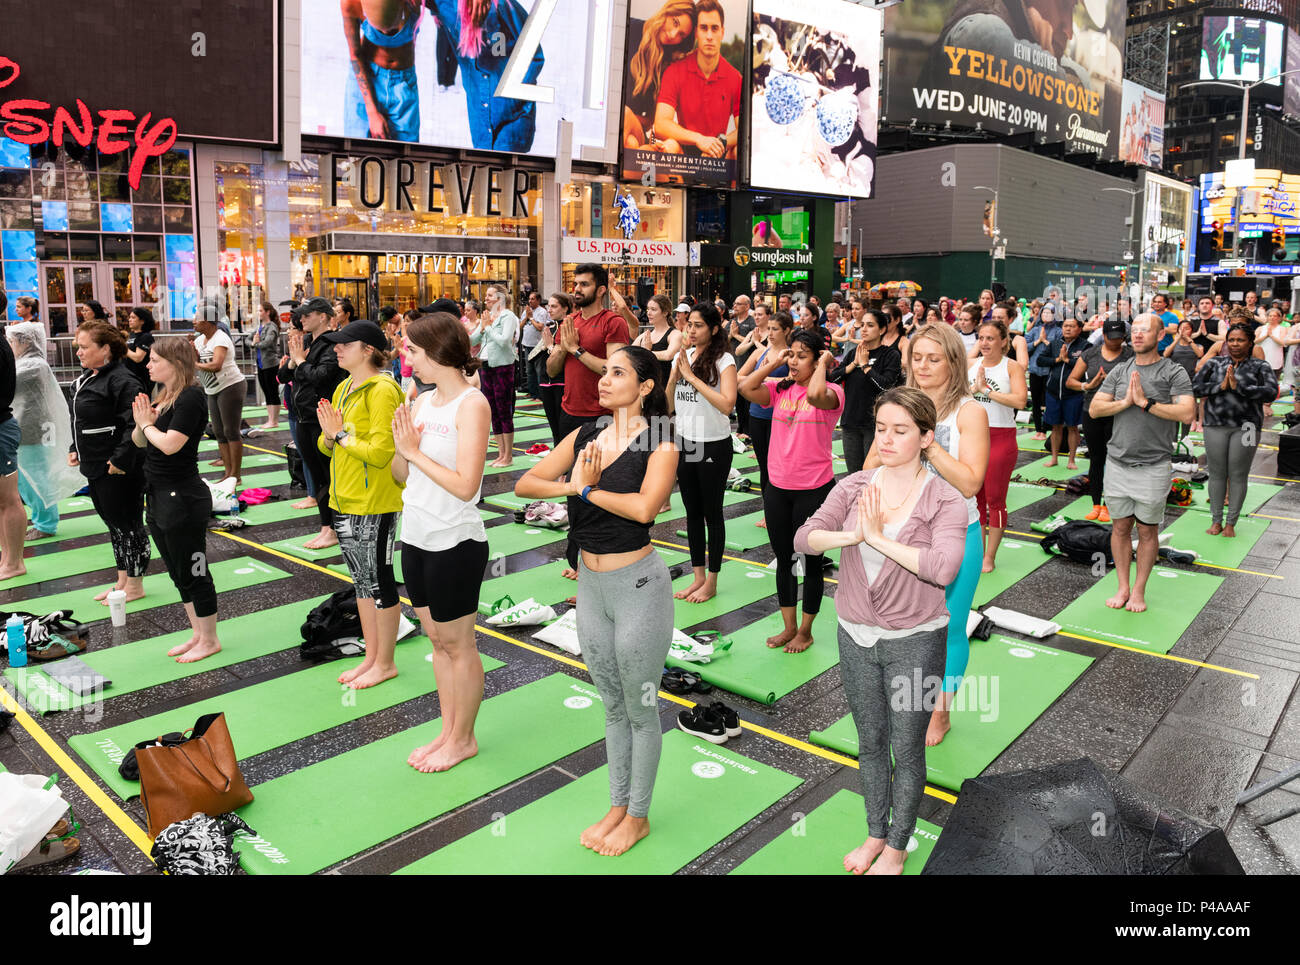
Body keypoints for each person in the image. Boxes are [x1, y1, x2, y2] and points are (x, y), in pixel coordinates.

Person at [515, 345, 678, 857]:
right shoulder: (586, 434)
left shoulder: (662, 441)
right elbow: (525, 483)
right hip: (590, 584)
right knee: (611, 704)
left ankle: (639, 815)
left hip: (638, 586)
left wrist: (583, 492)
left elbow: (646, 507)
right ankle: (617, 804)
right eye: (604, 372)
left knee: (641, 707)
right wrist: (571, 483)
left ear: (646, 386)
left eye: (617, 373)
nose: (603, 380)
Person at [796, 386, 966, 875]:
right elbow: (804, 536)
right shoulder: (853, 487)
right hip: (854, 633)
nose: (886, 438)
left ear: (926, 437)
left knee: (907, 747)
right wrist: (852, 535)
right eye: (881, 428)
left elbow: (942, 568)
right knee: (869, 742)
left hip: (915, 638)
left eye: (901, 430)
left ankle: (898, 845)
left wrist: (878, 539)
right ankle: (875, 833)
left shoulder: (945, 499)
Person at [393, 312, 491, 771]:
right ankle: (448, 730)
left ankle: (464, 738)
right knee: (436, 642)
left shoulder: (472, 405)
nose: (404, 355)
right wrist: (400, 445)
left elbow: (467, 485)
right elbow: (401, 475)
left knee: (459, 644)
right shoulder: (421, 402)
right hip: (415, 534)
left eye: (411, 348)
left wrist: (414, 451)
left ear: (435, 352)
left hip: (454, 540)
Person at [738, 329, 844, 653]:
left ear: (818, 359)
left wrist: (824, 362)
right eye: (792, 354)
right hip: (778, 488)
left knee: (812, 563)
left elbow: (814, 395)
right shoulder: (779, 389)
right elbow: (745, 387)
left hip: (814, 489)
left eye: (802, 355)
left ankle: (806, 631)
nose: (794, 361)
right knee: (784, 560)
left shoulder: (834, 392)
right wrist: (775, 363)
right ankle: (789, 627)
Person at [316, 320, 407, 689]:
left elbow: (383, 453)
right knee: (361, 584)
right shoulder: (343, 387)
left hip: (375, 501)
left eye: (344, 344)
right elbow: (327, 445)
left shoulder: (383, 389)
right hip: (345, 497)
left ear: (368, 349)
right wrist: (331, 436)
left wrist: (339, 435)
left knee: (379, 581)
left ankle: (385, 662)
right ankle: (372, 656)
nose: (336, 349)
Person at [1089, 314, 1195, 613]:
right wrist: (1125, 403)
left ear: (1160, 335)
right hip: (1118, 462)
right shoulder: (1121, 370)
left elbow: (1186, 413)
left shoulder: (1173, 372)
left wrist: (1146, 403)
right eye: (1134, 331)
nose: (1137, 335)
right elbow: (1096, 409)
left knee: (1147, 532)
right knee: (1120, 528)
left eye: (1144, 330)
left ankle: (1138, 591)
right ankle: (1122, 586)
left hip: (1153, 465)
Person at [129, 338, 222, 663]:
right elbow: (141, 440)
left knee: (194, 570)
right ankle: (197, 633)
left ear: (175, 363)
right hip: (157, 494)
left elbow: (170, 444)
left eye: (154, 360)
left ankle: (210, 639)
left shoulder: (192, 396)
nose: (148, 365)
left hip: (183, 497)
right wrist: (143, 423)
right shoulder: (164, 396)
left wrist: (146, 425)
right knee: (177, 571)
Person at [68, 321, 149, 601]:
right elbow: (81, 420)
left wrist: (120, 459)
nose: (78, 352)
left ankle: (135, 585)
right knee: (114, 525)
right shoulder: (88, 378)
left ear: (105, 349)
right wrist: (74, 447)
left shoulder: (123, 380)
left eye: (84, 347)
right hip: (95, 464)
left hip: (117, 467)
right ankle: (122, 581)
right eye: (77, 346)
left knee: (128, 524)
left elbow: (135, 425)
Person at [667, 303, 736, 604]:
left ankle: (712, 580)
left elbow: (727, 404)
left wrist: (691, 377)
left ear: (714, 329)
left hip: (714, 444)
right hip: (686, 442)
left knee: (712, 514)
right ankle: (697, 576)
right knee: (692, 514)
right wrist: (676, 372)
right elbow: (668, 404)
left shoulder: (725, 360)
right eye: (688, 324)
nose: (690, 330)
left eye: (697, 325)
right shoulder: (684, 357)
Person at [1193, 323, 1277, 539]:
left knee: (1238, 474)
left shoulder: (1260, 366)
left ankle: (1231, 523)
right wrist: (1220, 387)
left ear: (1250, 343)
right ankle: (1216, 520)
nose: (1235, 344)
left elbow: (1270, 393)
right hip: (1215, 424)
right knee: (1217, 473)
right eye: (1231, 340)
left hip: (1247, 426)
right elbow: (1195, 387)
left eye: (1240, 340)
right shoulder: (1214, 363)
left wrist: (1239, 387)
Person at [6, 325, 81, 544]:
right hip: (23, 429)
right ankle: (41, 520)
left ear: (26, 341)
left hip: (32, 431)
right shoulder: (25, 363)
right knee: (26, 480)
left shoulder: (34, 365)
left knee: (36, 479)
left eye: (12, 342)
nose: (10, 347)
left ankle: (46, 524)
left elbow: (8, 382)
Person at [284, 296, 348, 549]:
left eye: (307, 315)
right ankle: (326, 527)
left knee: (328, 475)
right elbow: (283, 375)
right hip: (304, 416)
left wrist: (300, 361)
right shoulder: (307, 342)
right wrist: (294, 360)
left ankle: (334, 527)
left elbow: (321, 377)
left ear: (323, 316)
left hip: (321, 418)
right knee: (317, 474)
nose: (302, 319)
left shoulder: (333, 344)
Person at [969, 319, 1027, 571]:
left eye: (990, 338)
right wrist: (973, 388)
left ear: (1003, 341)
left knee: (995, 498)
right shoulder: (971, 365)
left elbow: (1020, 401)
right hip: (973, 436)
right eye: (981, 338)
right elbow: (959, 396)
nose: (984, 343)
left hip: (1001, 437)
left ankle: (989, 557)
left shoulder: (1011, 367)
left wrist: (987, 391)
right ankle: (978, 551)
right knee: (974, 497)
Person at [652, 0, 740, 164]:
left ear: (722, 32)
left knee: (739, 150)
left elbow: (744, 131)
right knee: (668, 146)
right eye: (703, 28)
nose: (709, 36)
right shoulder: (675, 71)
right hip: (684, 155)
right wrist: (699, 139)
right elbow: (661, 123)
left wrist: (718, 144)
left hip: (718, 155)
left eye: (714, 29)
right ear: (696, 33)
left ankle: (734, 190)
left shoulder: (735, 78)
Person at [1068, 318, 1133, 522]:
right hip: (1093, 411)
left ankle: (1109, 504)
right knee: (1097, 459)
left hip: (1119, 413)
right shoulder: (1091, 354)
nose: (1116, 342)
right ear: (1103, 336)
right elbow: (1071, 381)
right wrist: (1088, 385)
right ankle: (1096, 503)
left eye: (1120, 338)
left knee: (1115, 459)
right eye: (1112, 337)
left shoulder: (1130, 354)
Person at [832, 310, 902, 475]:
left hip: (876, 425)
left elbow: (886, 386)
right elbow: (831, 380)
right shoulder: (852, 354)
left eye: (870, 325)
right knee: (854, 476)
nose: (863, 329)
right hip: (850, 422)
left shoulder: (890, 355)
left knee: (874, 476)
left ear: (882, 330)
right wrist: (852, 365)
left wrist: (865, 367)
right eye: (862, 325)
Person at [622, 0, 697, 151]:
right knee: (631, 144)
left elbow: (652, 120)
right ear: (667, 11)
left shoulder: (669, 63)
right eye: (675, 23)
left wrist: (630, 117)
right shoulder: (629, 29)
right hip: (614, 127)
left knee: (624, 114)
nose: (673, 35)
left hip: (636, 126)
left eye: (681, 35)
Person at [736, 308, 791, 507]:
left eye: (775, 329)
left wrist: (763, 377)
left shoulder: (790, 354)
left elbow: (793, 380)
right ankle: (768, 510)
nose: (771, 333)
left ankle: (778, 509)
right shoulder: (760, 352)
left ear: (786, 331)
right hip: (757, 414)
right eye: (769, 329)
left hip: (781, 415)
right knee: (764, 466)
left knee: (778, 466)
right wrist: (760, 374)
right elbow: (738, 377)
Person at [192, 304, 246, 483]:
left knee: (231, 431)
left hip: (230, 386)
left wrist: (195, 365)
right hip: (212, 389)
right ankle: (228, 473)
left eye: (197, 318)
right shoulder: (200, 340)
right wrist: (191, 352)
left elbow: (216, 365)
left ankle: (235, 476)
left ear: (207, 321)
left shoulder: (220, 338)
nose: (193, 321)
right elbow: (196, 361)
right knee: (218, 431)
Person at [471, 284, 520, 468]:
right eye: (486, 295)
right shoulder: (488, 317)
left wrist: (489, 328)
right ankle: (501, 454)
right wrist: (482, 327)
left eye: (490, 295)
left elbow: (504, 341)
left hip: (503, 367)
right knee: (493, 411)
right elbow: (472, 340)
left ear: (499, 298)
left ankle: (508, 456)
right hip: (486, 366)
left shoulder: (508, 316)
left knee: (504, 410)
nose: (486, 298)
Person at [1044, 316, 1086, 470]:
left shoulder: (1086, 346)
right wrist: (1057, 360)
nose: (1067, 329)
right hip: (1053, 392)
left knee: (1072, 427)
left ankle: (1071, 460)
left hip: (1073, 394)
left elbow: (1086, 364)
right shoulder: (1055, 344)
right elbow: (1040, 360)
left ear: (1079, 329)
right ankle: (1054, 458)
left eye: (1072, 326)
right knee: (1055, 426)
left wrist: (1068, 360)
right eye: (1065, 326)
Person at [537, 293, 572, 446]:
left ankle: (564, 461)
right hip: (546, 381)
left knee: (563, 426)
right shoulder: (550, 327)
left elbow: (565, 354)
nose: (549, 310)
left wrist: (550, 346)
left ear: (565, 308)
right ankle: (557, 456)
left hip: (562, 381)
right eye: (548, 306)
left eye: (554, 306)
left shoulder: (568, 326)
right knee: (553, 426)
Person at [633, 293, 683, 394]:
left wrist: (647, 352)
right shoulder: (645, 335)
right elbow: (629, 353)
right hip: (647, 389)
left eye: (653, 309)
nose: (649, 313)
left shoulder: (674, 334)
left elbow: (668, 355)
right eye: (648, 309)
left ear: (665, 312)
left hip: (666, 389)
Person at [1026, 302, 1061, 440]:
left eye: (1050, 313)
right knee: (1035, 400)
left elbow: (1059, 349)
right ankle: (1038, 430)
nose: (1046, 315)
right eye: (1044, 312)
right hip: (1035, 369)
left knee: (1047, 401)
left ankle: (1046, 430)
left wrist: (1045, 341)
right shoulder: (1035, 330)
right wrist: (1037, 341)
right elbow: (1025, 346)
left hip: (1049, 370)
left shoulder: (1058, 331)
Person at [252, 300, 284, 429]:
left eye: (260, 311)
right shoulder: (259, 326)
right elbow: (250, 339)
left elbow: (268, 342)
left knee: (272, 391)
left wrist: (255, 344)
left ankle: (274, 420)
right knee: (266, 391)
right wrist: (254, 342)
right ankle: (271, 419)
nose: (258, 313)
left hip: (270, 364)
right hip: (261, 364)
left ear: (267, 312)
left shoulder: (272, 327)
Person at [521, 291, 549, 399]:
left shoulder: (542, 312)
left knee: (539, 371)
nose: (530, 301)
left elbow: (540, 327)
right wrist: (526, 317)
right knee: (529, 371)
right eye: (529, 298)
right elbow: (520, 326)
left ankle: (541, 395)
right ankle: (532, 393)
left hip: (537, 345)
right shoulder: (527, 311)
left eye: (533, 299)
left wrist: (531, 318)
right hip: (527, 344)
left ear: (538, 300)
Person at [122, 308, 155, 392]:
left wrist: (122, 347)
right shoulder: (131, 335)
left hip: (141, 379)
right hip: (128, 377)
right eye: (129, 317)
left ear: (142, 321)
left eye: (133, 318)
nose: (130, 320)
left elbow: (138, 358)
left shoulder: (146, 336)